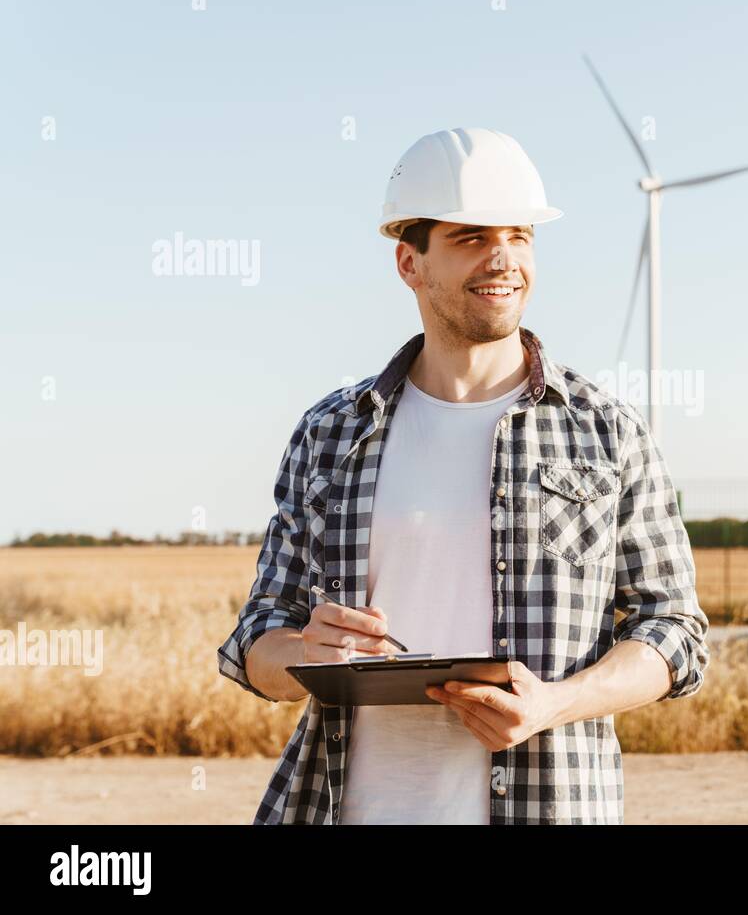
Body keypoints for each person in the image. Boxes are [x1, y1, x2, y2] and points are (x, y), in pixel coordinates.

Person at [216, 127, 708, 824]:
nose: (504, 257)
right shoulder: (330, 434)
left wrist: (551, 704)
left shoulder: (608, 432)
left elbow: (675, 631)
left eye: (520, 234)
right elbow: (255, 641)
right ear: (409, 263)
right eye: (472, 237)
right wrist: (305, 650)